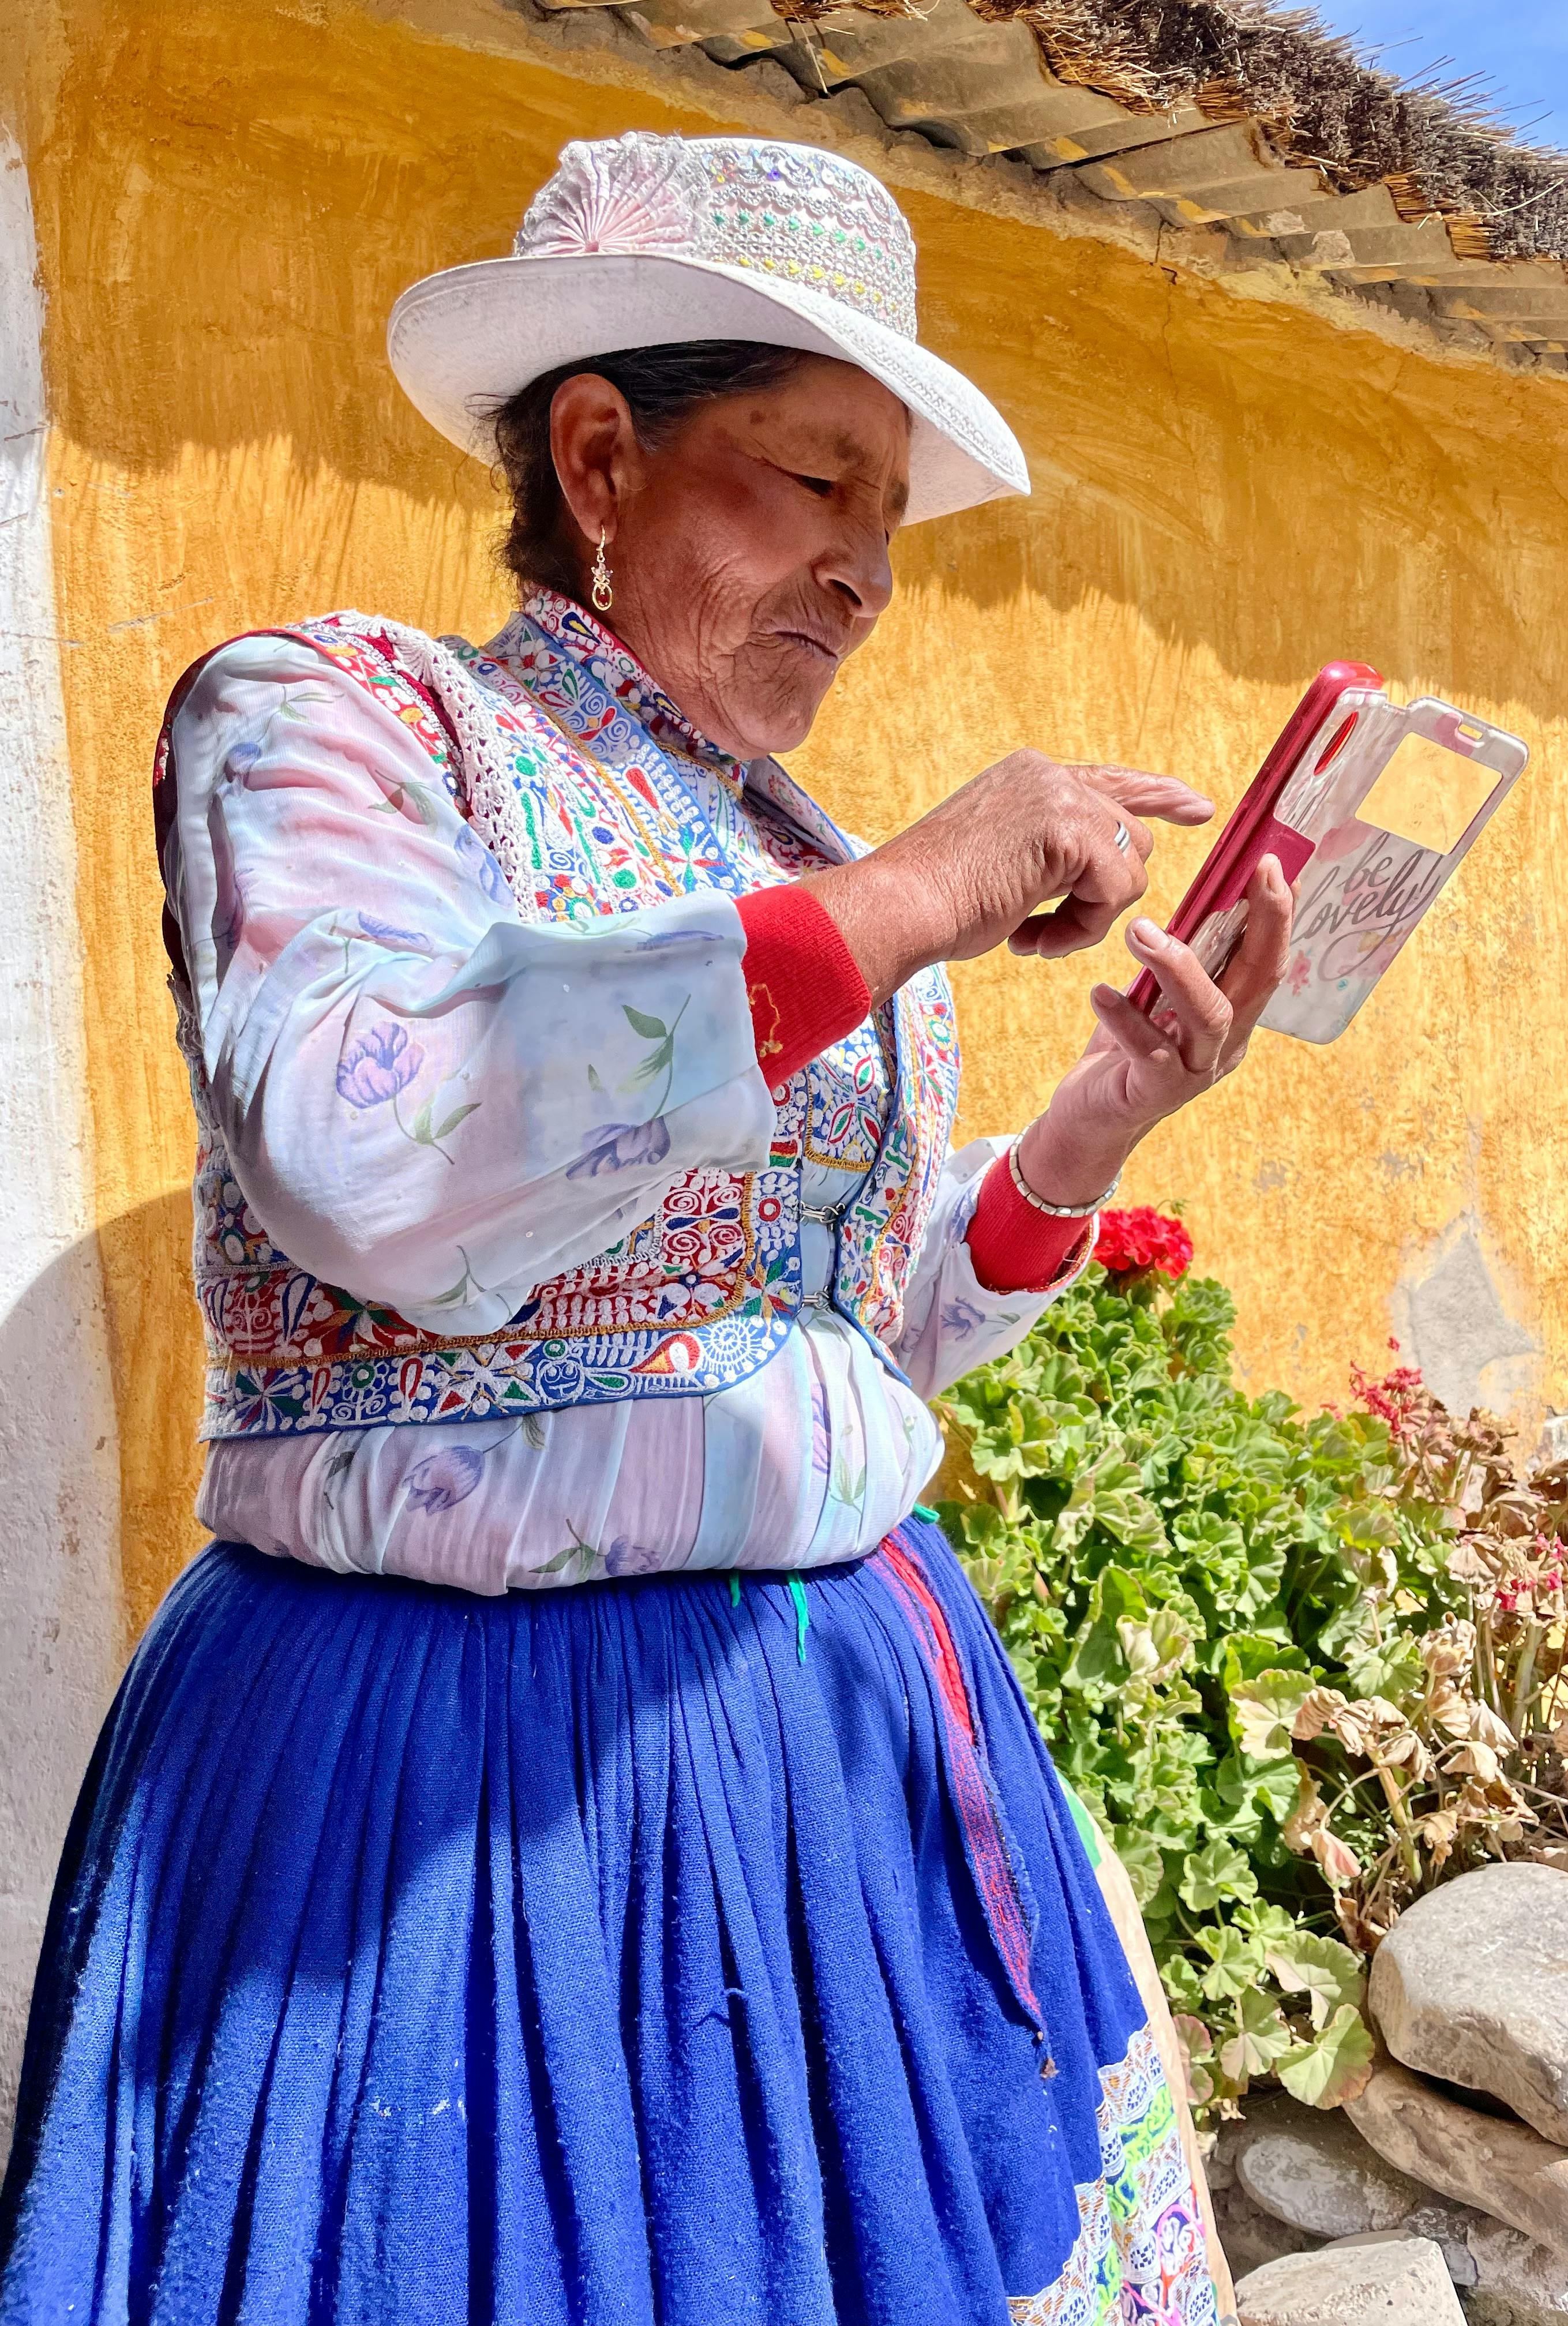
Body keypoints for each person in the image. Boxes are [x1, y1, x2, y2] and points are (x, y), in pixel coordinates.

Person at [0, 132, 1291, 2325]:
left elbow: (826, 1330)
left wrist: (1103, 1116)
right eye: (815, 481)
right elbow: (370, 1145)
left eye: (889, 516)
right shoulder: (339, 722)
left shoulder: (790, 853)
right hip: (457, 1812)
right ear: (598, 455)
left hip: (833, 1761)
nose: (865, 571)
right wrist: (912, 898)